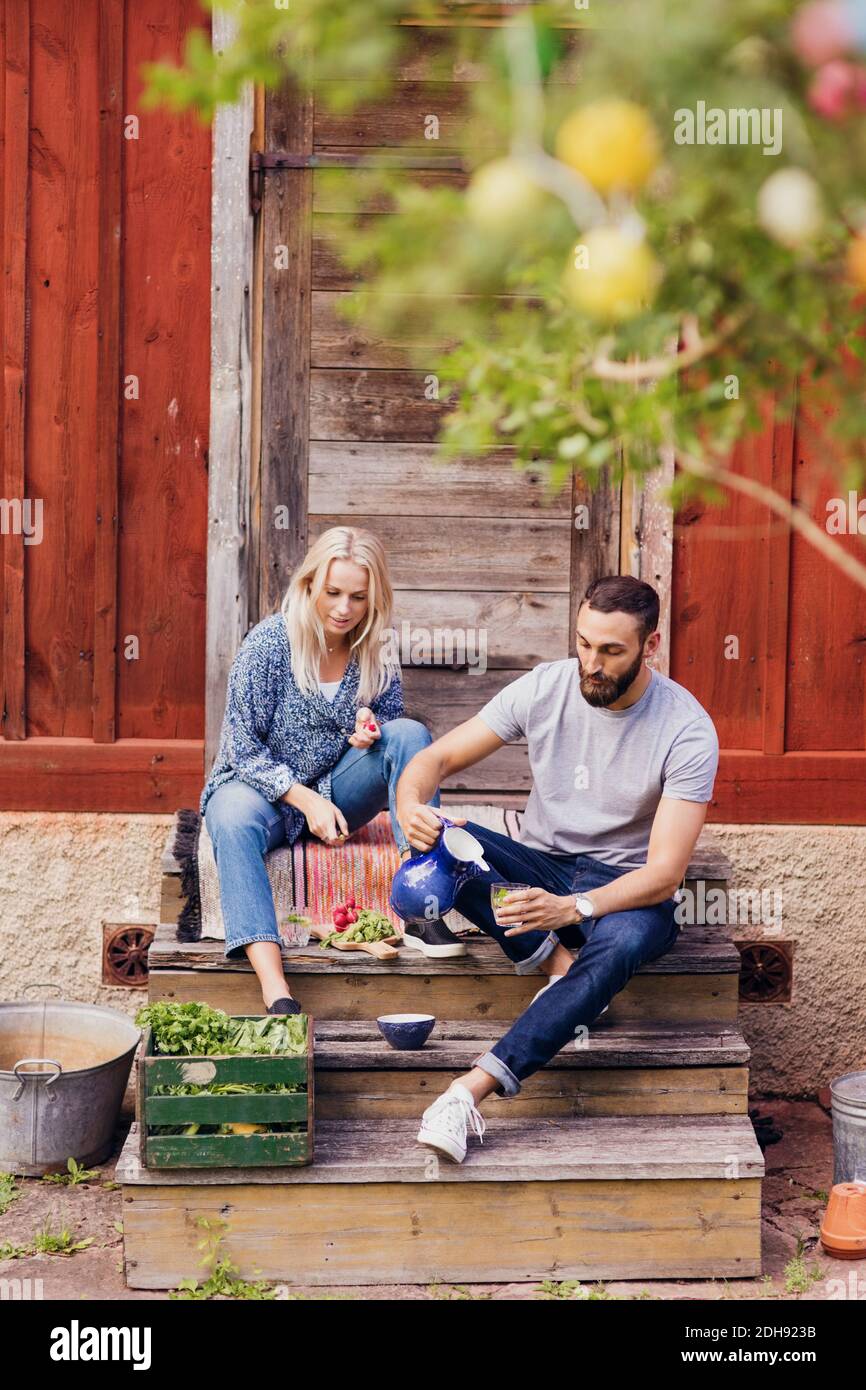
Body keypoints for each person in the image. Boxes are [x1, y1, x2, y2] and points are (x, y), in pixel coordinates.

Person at [395, 574, 721, 1163]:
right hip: (542, 865)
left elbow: (666, 874)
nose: (590, 664)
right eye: (583, 642)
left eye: (611, 651)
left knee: (619, 948)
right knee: (445, 846)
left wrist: (573, 908)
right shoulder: (547, 687)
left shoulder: (687, 729)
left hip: (626, 892)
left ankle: (469, 1091)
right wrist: (411, 806)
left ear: (650, 647)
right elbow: (436, 757)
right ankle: (558, 961)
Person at [199, 525, 459, 1016]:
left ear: (374, 597)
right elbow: (240, 746)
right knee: (230, 818)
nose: (343, 608)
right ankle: (276, 990)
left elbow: (392, 719)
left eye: (357, 597)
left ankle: (422, 897)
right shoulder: (270, 643)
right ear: (310, 585)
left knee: (410, 736)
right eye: (333, 593)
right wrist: (305, 798)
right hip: (259, 791)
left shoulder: (376, 647)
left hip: (337, 789)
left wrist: (369, 727)